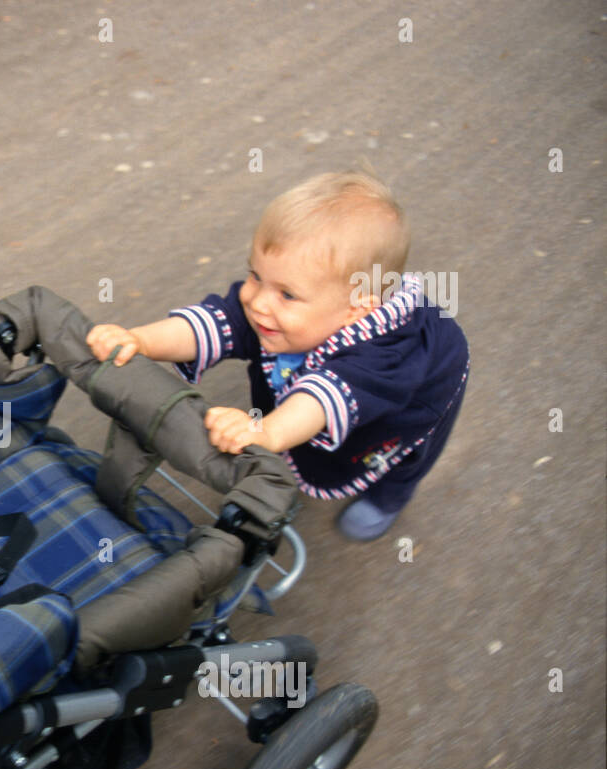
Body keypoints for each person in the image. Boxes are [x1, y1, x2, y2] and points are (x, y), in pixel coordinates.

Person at [86, 171, 469, 541]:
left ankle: (391, 497)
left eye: (287, 294)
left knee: (400, 451)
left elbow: (326, 395)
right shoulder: (280, 309)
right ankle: (294, 449)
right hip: (327, 367)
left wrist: (267, 430)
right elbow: (217, 322)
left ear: (357, 309)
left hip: (420, 393)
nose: (256, 301)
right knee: (287, 414)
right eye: (255, 276)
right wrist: (139, 340)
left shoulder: (385, 358)